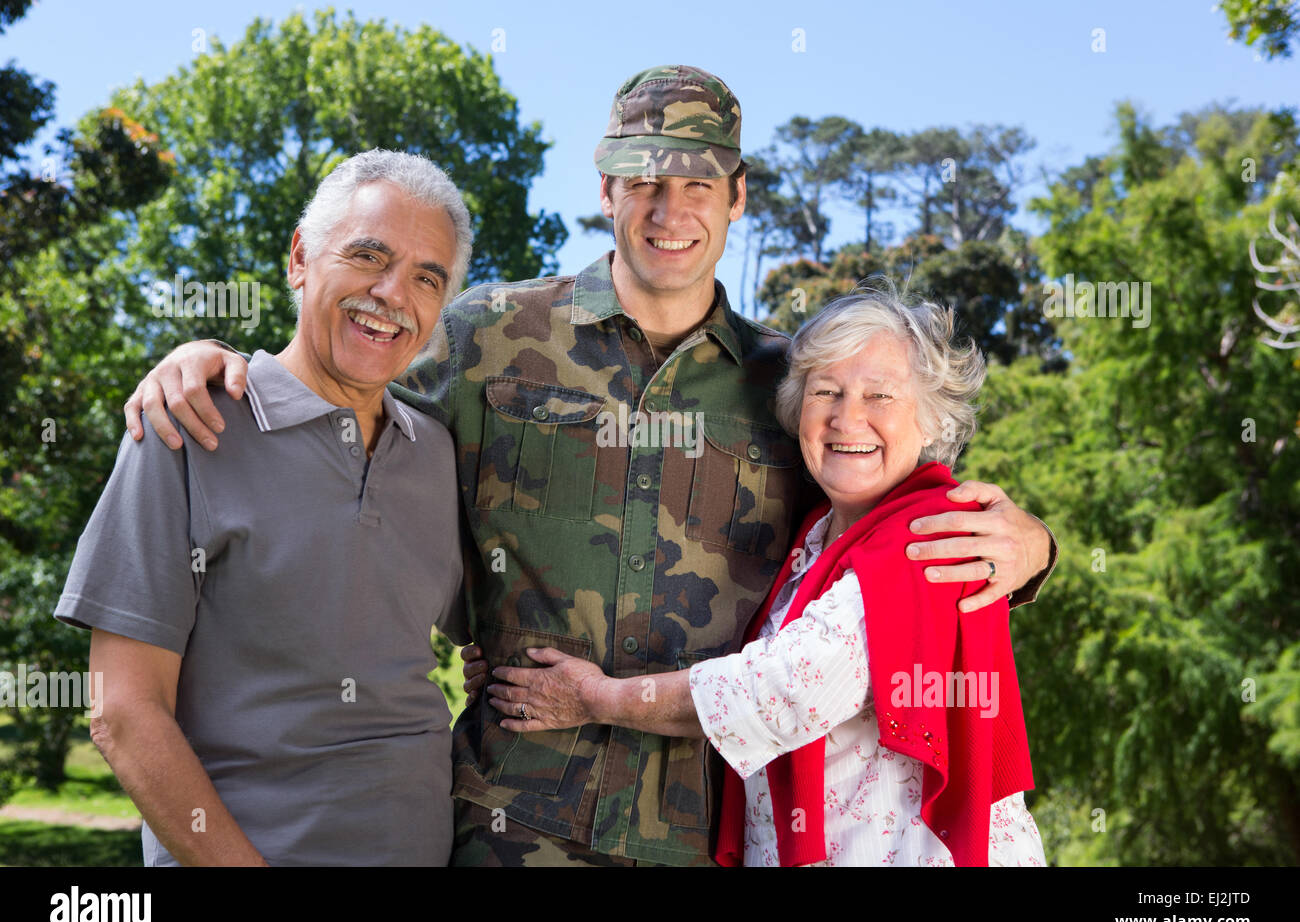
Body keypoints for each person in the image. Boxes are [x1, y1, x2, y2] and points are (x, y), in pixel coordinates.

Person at [122, 66, 1056, 866]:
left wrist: (1034, 550)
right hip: (506, 820)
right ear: (605, 190)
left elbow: (881, 525)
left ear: (739, 196)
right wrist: (214, 359)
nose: (668, 208)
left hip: (709, 831)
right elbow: (350, 376)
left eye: (699, 184)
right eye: (641, 178)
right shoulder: (484, 336)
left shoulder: (796, 384)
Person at [486, 288, 1045, 866]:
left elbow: (780, 691)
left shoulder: (931, 537)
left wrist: (597, 699)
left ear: (931, 419)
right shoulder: (813, 537)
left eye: (880, 395)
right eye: (826, 391)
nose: (847, 418)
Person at [57, 149, 474, 865]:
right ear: (300, 259)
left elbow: (496, 640)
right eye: (368, 254)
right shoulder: (186, 425)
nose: (391, 292)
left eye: (426, 277)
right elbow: (123, 713)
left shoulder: (436, 453)